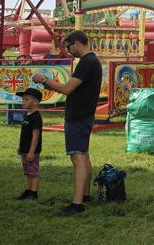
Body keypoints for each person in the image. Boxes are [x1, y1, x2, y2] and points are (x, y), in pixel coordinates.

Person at [33, 30, 103, 217]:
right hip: (85, 115)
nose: (69, 51)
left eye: (69, 47)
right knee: (84, 155)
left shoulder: (86, 63)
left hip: (78, 116)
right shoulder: (93, 62)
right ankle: (85, 194)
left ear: (77, 43)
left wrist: (44, 80)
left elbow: (67, 89)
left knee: (77, 157)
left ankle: (77, 203)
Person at [14, 87, 43, 201]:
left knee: (33, 172)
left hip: (32, 151)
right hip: (24, 150)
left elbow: (35, 136)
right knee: (28, 172)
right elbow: (25, 134)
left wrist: (31, 151)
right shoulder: (27, 114)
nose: (23, 102)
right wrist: (21, 147)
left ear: (35, 102)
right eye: (23, 99)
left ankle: (34, 193)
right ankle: (27, 191)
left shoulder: (36, 117)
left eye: (26, 99)